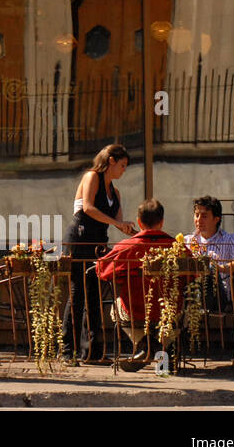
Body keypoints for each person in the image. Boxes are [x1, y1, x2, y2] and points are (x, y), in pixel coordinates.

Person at [61, 143, 134, 364]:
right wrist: (116, 223)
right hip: (81, 238)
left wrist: (125, 226)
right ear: (111, 161)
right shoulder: (92, 176)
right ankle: (67, 351)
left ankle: (91, 351)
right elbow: (88, 208)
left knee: (94, 296)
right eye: (122, 165)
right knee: (77, 294)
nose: (123, 170)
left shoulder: (116, 192)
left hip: (98, 242)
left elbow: (118, 221)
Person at [96, 198, 181, 356]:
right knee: (186, 309)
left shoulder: (127, 247)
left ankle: (144, 343)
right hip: (170, 308)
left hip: (135, 309)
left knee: (116, 308)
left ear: (139, 222)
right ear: (161, 222)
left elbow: (102, 270)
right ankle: (163, 347)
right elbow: (194, 272)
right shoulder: (176, 247)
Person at [184, 195, 234, 308]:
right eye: (197, 215)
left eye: (204, 216)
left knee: (208, 270)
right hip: (190, 292)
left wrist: (219, 269)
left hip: (218, 295)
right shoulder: (187, 240)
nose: (199, 220)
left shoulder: (229, 239)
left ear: (216, 219)